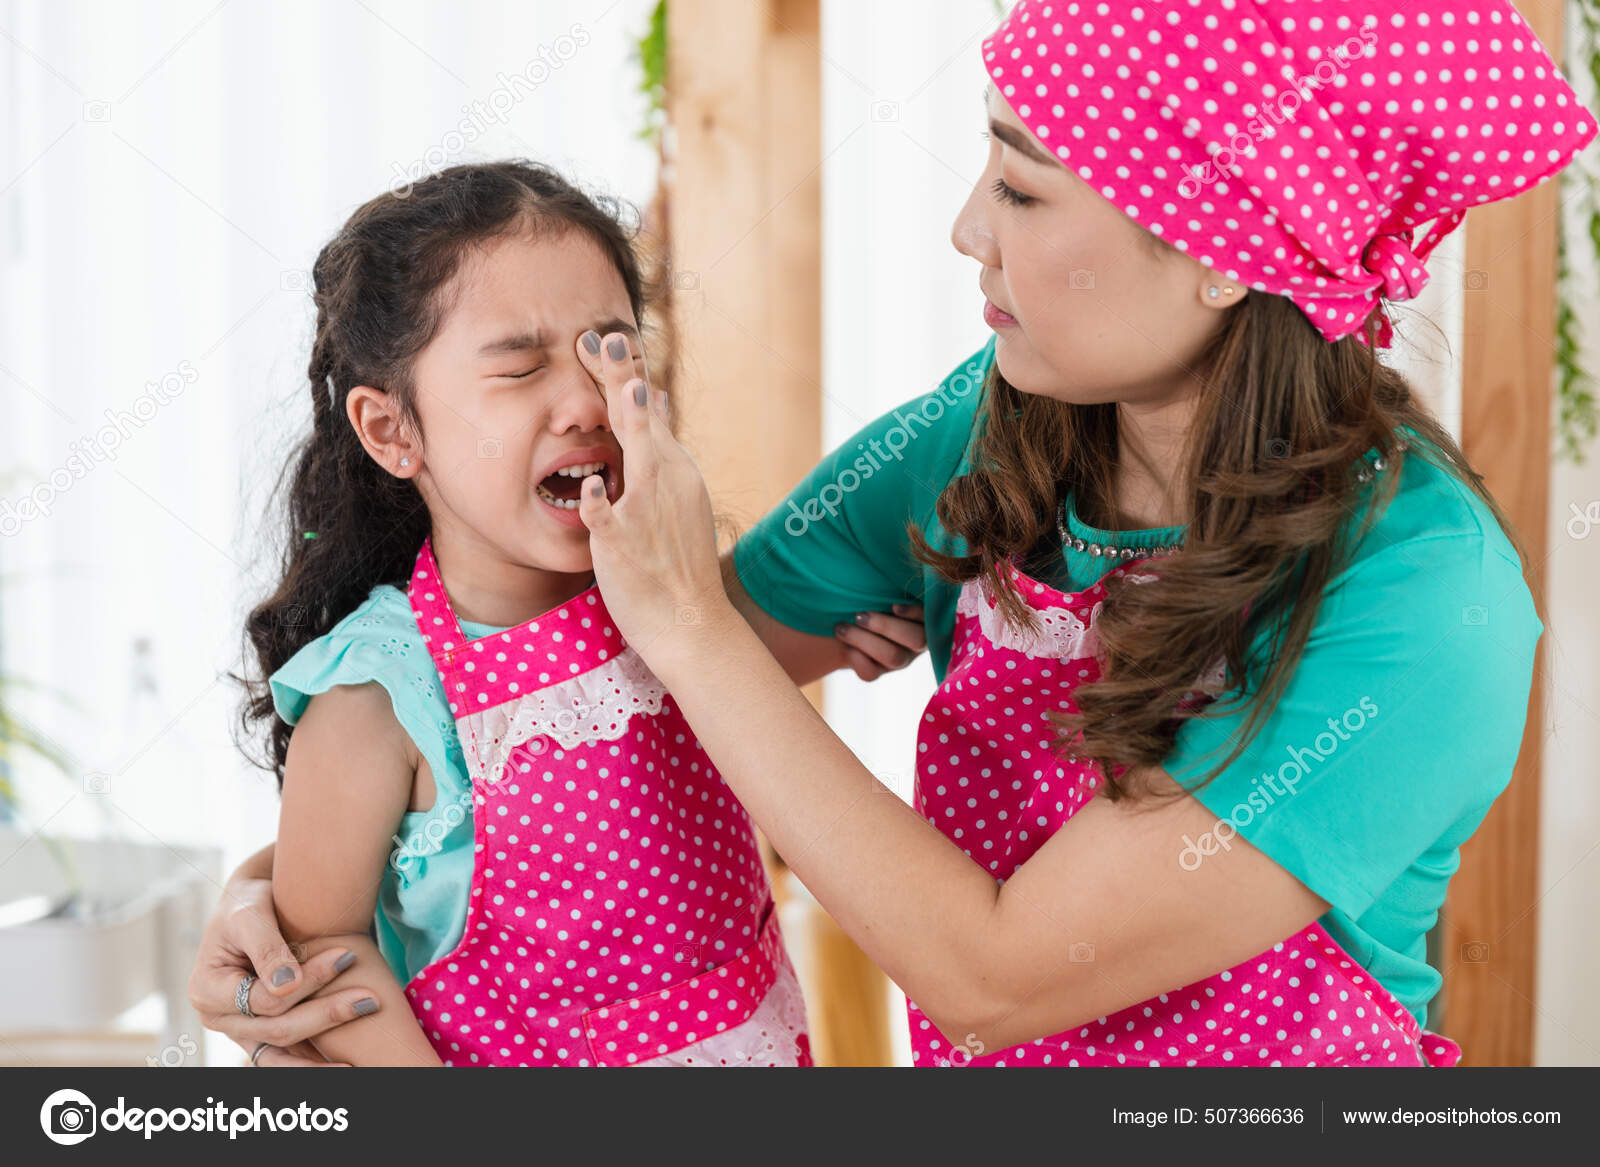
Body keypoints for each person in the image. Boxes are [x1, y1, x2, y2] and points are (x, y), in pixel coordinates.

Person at [194, 0, 1595, 1067]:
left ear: (1228, 249)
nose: (964, 228)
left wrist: (689, 622)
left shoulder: (1425, 600)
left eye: (1026, 188)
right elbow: (597, 692)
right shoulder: (984, 430)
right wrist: (310, 879)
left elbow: (992, 972)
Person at [224, 160, 919, 1066]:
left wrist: (867, 625)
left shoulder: (680, 604)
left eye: (612, 349)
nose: (588, 401)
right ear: (394, 431)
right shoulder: (377, 694)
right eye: (519, 368)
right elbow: (325, 953)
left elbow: (760, 673)